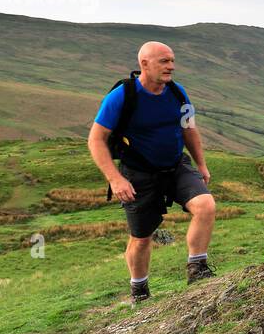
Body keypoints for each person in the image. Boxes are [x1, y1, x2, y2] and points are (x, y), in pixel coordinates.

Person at [87, 41, 215, 303]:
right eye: (164, 61)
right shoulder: (122, 96)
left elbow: (189, 129)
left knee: (206, 205)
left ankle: (197, 269)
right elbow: (96, 139)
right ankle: (139, 290)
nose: (171, 66)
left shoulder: (178, 93)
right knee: (142, 238)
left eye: (172, 61)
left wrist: (201, 164)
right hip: (138, 173)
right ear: (144, 64)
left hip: (175, 166)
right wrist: (115, 178)